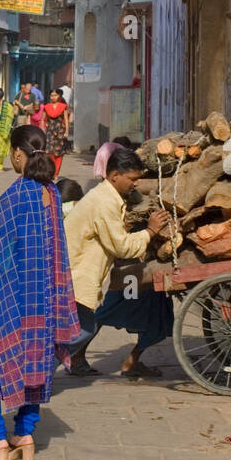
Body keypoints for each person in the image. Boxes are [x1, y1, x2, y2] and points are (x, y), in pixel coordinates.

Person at [0, 150, 80, 460]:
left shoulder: (15, 194)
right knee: (37, 364)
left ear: (17, 155)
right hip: (43, 300)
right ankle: (25, 435)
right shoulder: (52, 193)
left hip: (11, 297)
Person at [63, 147, 169, 376]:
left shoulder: (109, 197)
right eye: (132, 179)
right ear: (114, 176)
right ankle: (35, 375)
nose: (136, 184)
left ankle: (38, 374)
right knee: (80, 330)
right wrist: (150, 231)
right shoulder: (104, 202)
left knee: (82, 327)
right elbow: (122, 246)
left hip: (84, 273)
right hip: (77, 274)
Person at [40, 89, 70, 175]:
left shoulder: (63, 106)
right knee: (48, 151)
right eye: (51, 95)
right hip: (49, 131)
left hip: (60, 131)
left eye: (55, 95)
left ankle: (56, 173)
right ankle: (50, 170)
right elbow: (43, 119)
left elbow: (66, 120)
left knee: (59, 152)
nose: (53, 97)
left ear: (59, 96)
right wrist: (43, 129)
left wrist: (67, 131)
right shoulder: (46, 106)